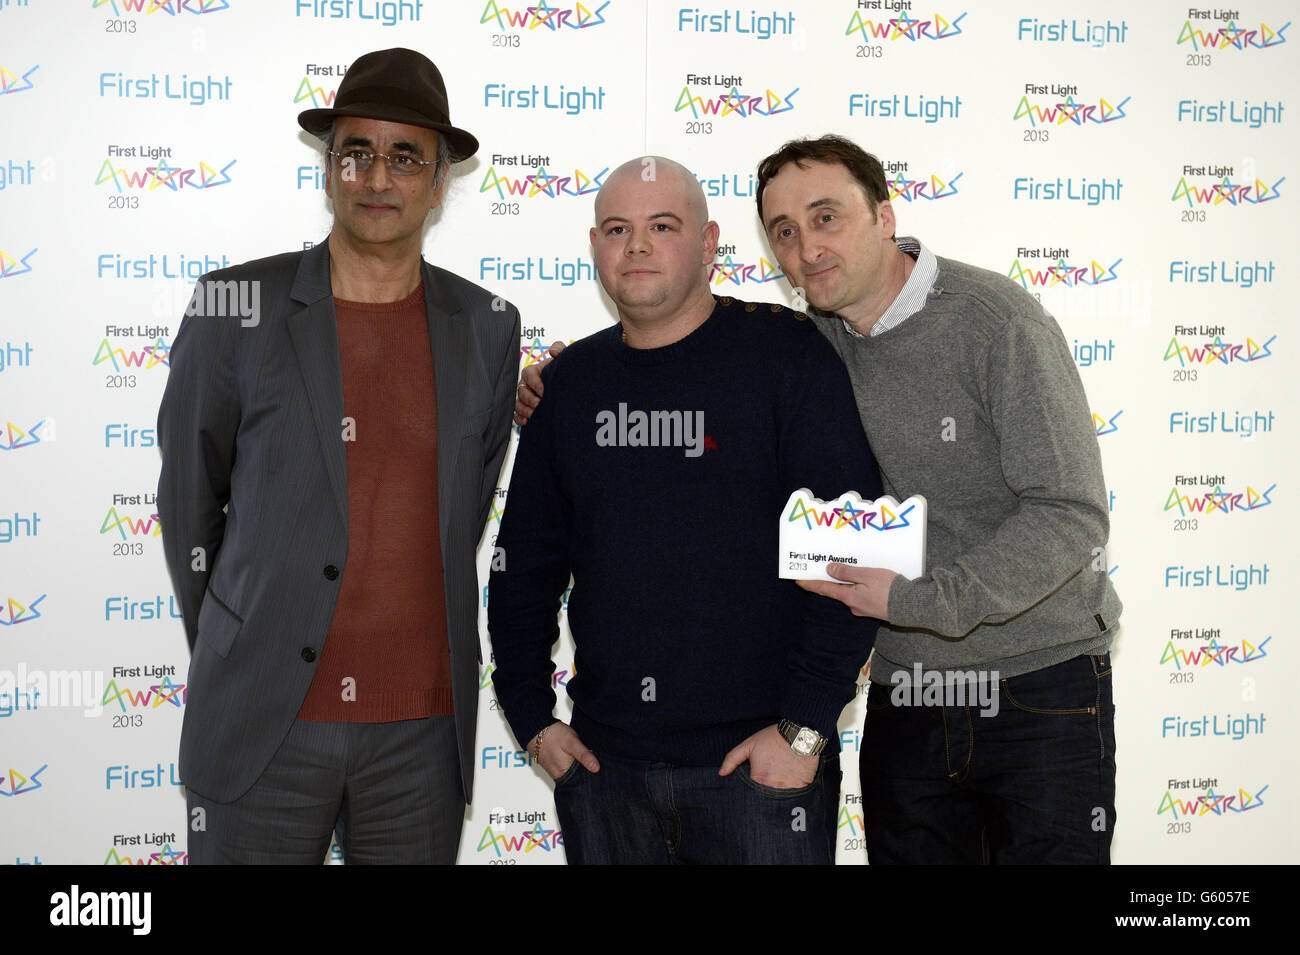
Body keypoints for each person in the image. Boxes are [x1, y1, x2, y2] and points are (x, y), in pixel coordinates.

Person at [517, 135, 1121, 865]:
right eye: (784, 232)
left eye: (826, 217)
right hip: (908, 687)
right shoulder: (816, 340)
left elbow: (1070, 515)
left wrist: (903, 613)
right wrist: (560, 383)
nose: (807, 248)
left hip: (1038, 683)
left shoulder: (996, 323)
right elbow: (673, 360)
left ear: (886, 216)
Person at [157, 48, 520, 864]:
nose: (378, 176)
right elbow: (190, 504)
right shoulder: (234, 307)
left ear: (438, 181)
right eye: (356, 151)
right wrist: (239, 637)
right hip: (264, 724)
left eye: (405, 156)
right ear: (328, 170)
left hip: (421, 736)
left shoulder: (489, 323)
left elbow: (464, 506)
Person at [488, 156, 881, 864]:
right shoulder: (567, 387)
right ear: (595, 248)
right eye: (617, 229)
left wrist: (805, 729)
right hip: (605, 777)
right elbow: (524, 567)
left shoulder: (790, 358)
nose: (636, 246)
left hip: (763, 780)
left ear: (708, 246)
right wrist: (531, 719)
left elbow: (850, 558)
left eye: (661, 226)